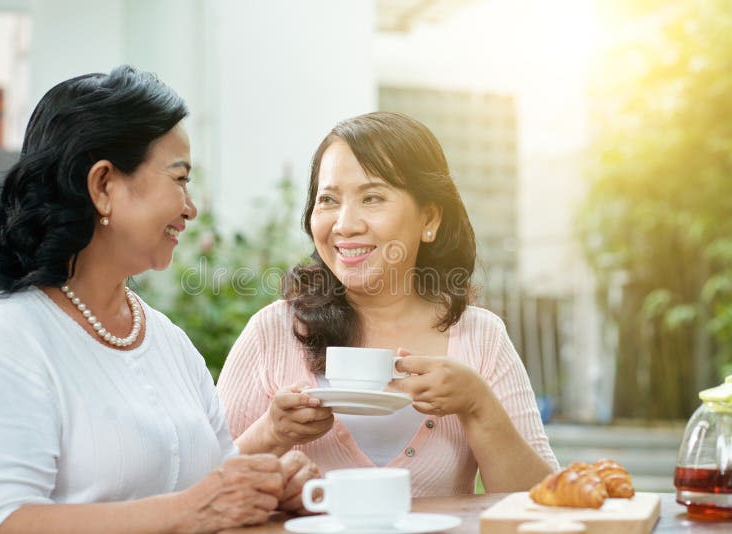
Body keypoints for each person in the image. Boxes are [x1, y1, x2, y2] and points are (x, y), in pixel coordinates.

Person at [0, 66, 318, 534]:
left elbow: (213, 483)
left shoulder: (163, 339)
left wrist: (270, 487)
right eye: (179, 178)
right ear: (103, 186)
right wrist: (186, 513)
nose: (190, 207)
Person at [217, 111, 559, 497]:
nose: (345, 224)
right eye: (328, 199)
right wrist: (272, 433)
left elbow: (542, 502)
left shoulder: (480, 337)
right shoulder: (274, 332)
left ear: (429, 218)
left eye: (373, 197)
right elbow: (199, 489)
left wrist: (478, 405)